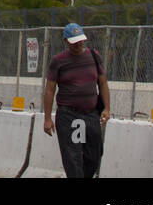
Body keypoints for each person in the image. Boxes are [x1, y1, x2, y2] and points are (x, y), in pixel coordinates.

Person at [44, 22, 110, 178]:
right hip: (69, 116)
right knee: (73, 158)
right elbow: (49, 90)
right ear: (66, 41)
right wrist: (47, 118)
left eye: (80, 40)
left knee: (94, 154)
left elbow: (102, 83)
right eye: (74, 42)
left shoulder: (94, 56)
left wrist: (106, 108)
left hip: (90, 114)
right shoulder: (58, 61)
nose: (78, 44)